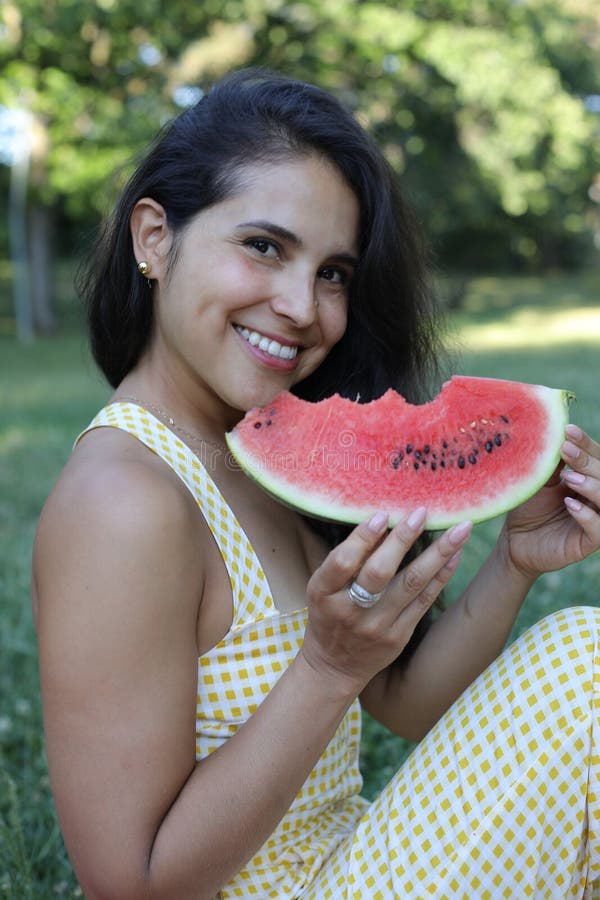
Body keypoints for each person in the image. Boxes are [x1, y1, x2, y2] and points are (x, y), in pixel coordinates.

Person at [32, 68, 600, 900]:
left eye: (333, 272)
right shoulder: (124, 501)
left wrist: (514, 560)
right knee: (583, 660)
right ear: (154, 238)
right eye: (264, 246)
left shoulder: (258, 452)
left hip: (349, 862)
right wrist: (324, 671)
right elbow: (131, 883)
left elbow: (401, 704)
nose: (303, 306)